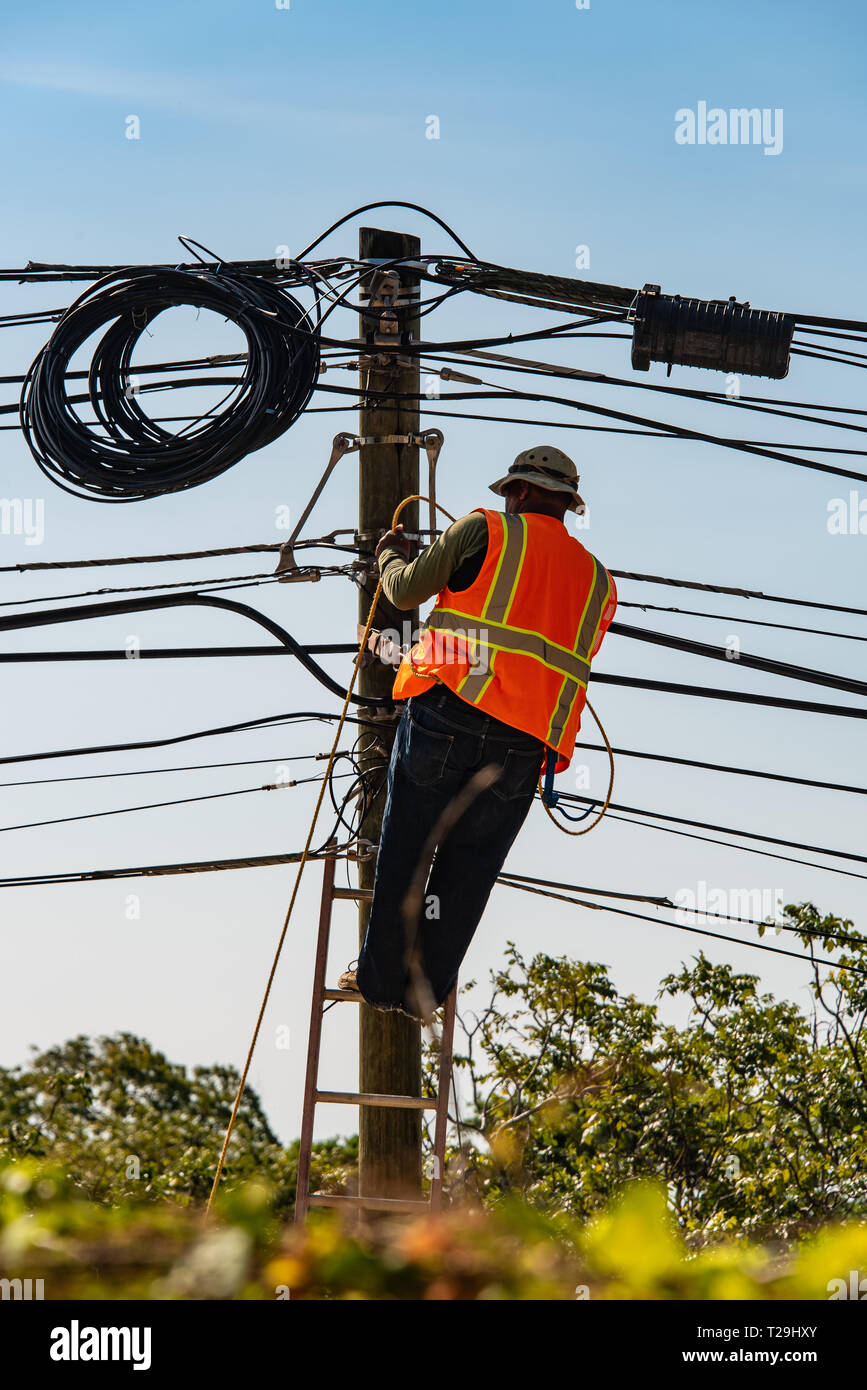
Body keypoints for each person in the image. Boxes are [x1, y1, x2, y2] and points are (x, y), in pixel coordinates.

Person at [339, 445, 617, 1019]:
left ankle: (379, 980)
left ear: (517, 491)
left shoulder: (483, 530)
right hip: (524, 745)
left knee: (408, 849)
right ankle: (424, 993)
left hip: (450, 713)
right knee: (469, 871)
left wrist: (388, 558)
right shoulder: (598, 581)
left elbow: (405, 592)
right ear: (566, 503)